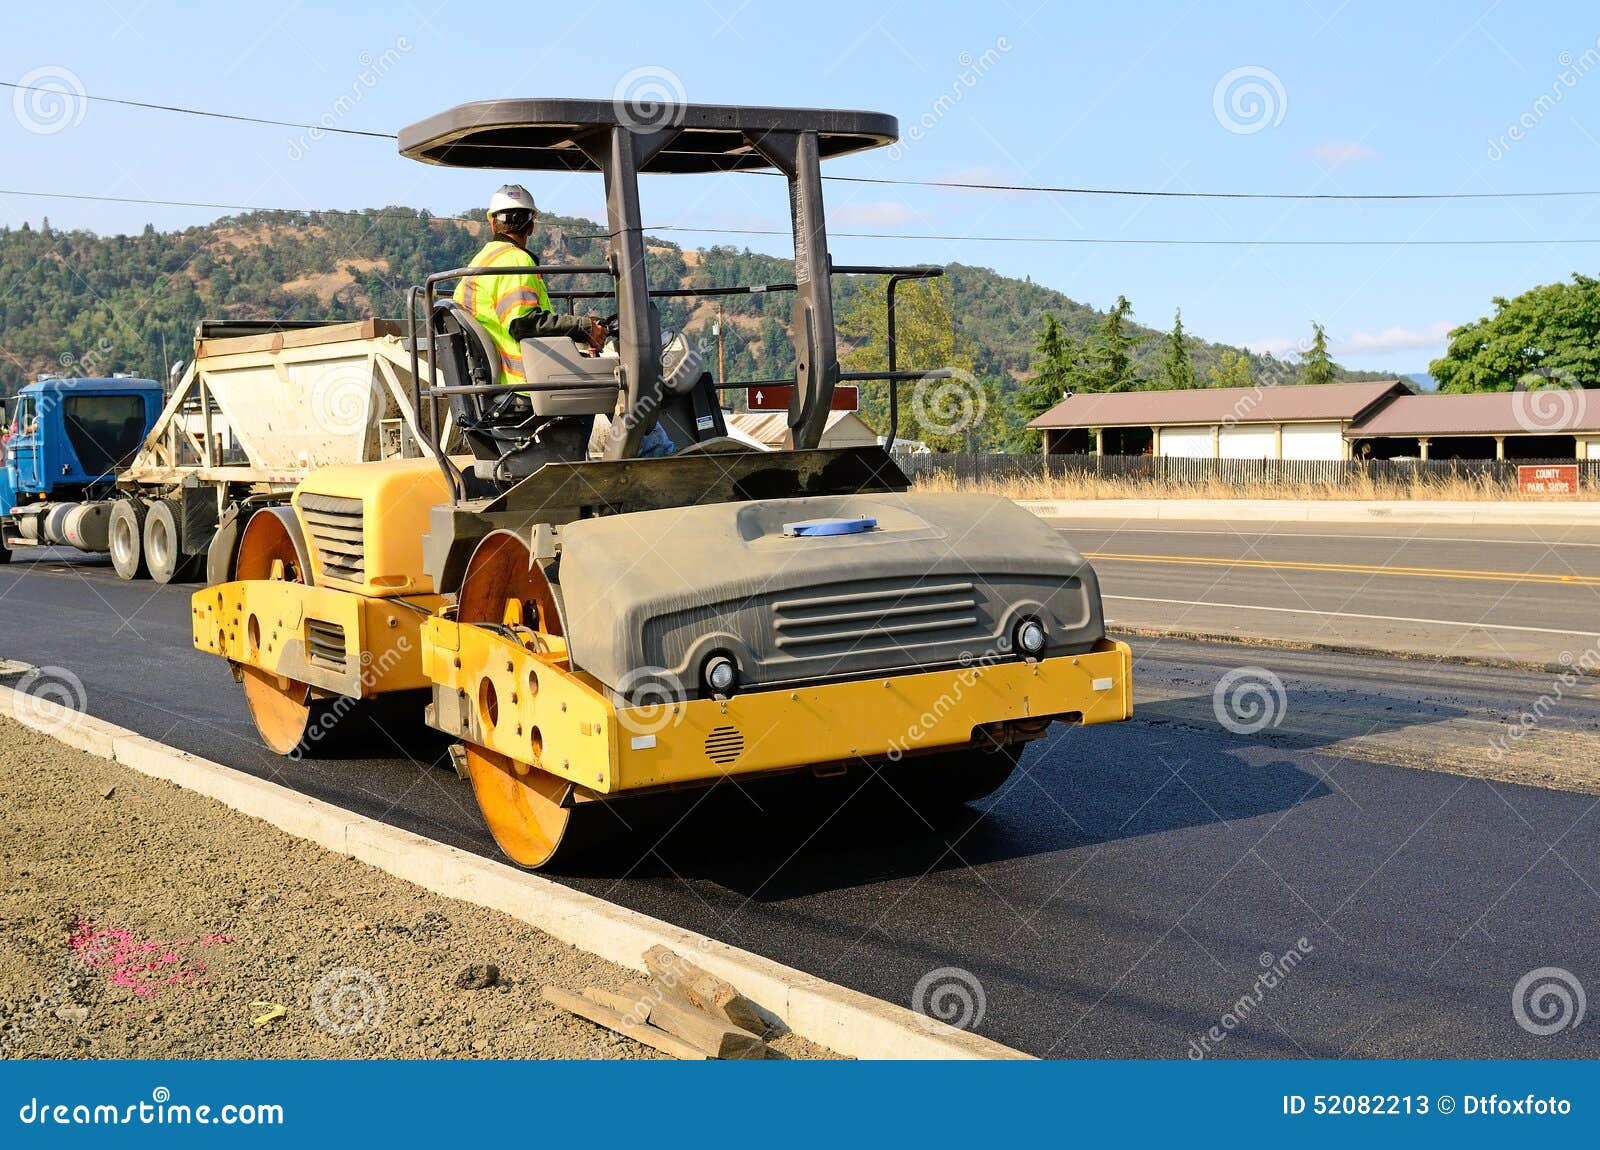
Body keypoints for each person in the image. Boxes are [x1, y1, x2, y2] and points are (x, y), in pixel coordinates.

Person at [454, 184, 607, 388]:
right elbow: (524, 324)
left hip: (488, 379)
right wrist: (585, 327)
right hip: (522, 381)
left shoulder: (480, 261)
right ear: (531, 227)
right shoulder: (515, 260)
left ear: (492, 224)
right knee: (604, 383)